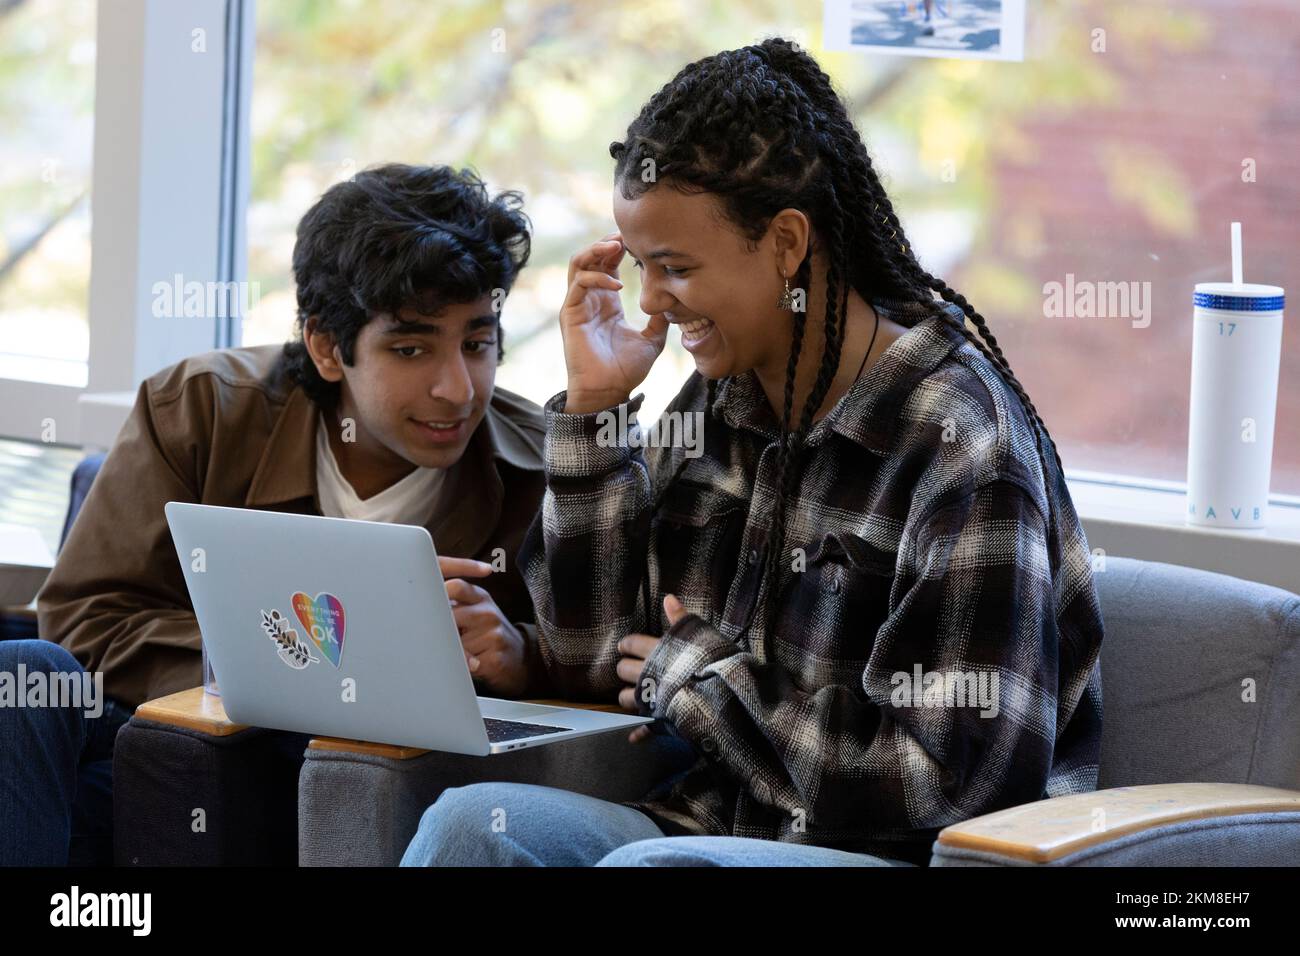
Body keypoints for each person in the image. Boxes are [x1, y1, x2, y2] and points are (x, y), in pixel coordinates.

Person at [402, 37, 1104, 868]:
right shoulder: (726, 396)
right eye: (640, 267)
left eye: (676, 268)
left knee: (655, 869)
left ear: (785, 243)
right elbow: (592, 657)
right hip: (704, 834)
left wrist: (706, 683)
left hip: (887, 854)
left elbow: (955, 781)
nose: (652, 303)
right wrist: (595, 411)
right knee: (467, 830)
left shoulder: (961, 442)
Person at [1, 163, 553, 866]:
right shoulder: (201, 409)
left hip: (392, 790)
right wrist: (271, 666)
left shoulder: (540, 469)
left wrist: (522, 656)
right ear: (327, 347)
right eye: (410, 348)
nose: (456, 389)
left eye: (478, 343)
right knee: (19, 673)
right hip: (175, 756)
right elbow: (87, 621)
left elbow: (623, 678)